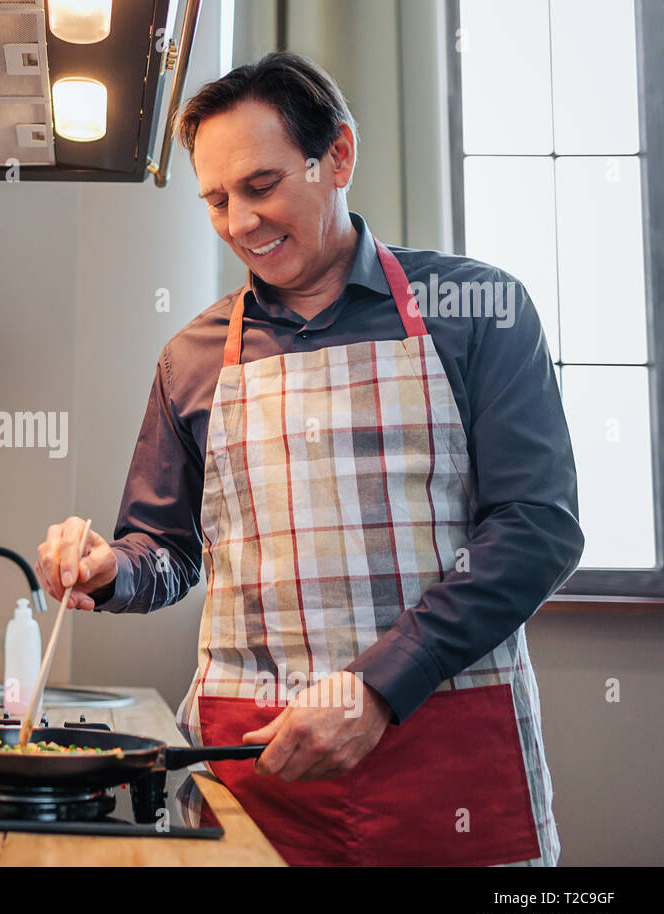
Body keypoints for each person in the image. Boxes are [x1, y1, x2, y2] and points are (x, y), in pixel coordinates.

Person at [34, 52, 583, 866]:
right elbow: (169, 553)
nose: (239, 224)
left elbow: (537, 527)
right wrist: (110, 567)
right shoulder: (189, 358)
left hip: (442, 756)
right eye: (216, 201)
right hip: (258, 769)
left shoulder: (479, 312)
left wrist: (376, 687)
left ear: (340, 158)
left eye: (261, 186)